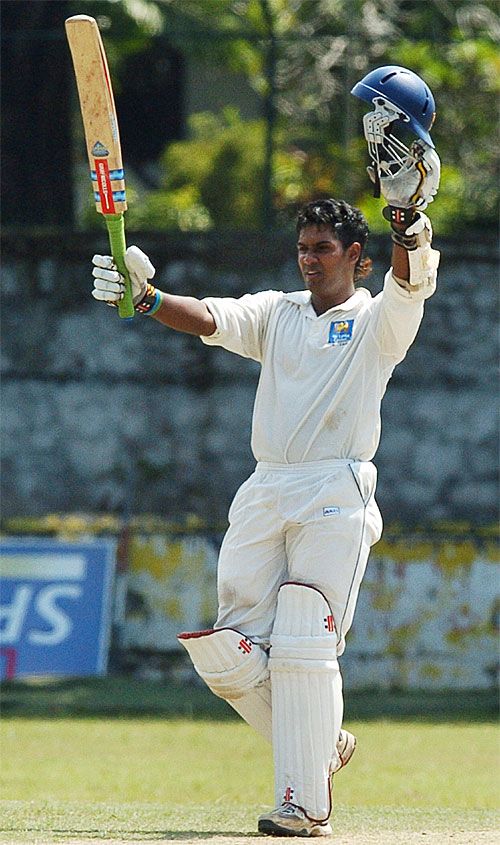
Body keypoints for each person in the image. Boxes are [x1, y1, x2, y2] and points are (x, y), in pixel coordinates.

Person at [91, 67, 440, 837]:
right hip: (266, 487)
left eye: (323, 248)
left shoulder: (379, 321)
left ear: (358, 255)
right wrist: (145, 299)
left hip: (335, 492)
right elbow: (209, 317)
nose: (308, 259)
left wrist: (408, 221)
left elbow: (413, 284)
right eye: (302, 248)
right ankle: (322, 745)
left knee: (303, 638)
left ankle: (303, 802)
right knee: (225, 651)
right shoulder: (275, 314)